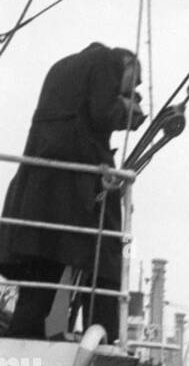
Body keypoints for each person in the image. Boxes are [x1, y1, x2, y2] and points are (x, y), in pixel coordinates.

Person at [0, 43, 145, 342]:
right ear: (126, 64)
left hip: (39, 186)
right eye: (135, 80)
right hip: (77, 186)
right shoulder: (105, 59)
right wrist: (132, 111)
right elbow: (104, 113)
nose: (134, 87)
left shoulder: (62, 67)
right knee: (106, 256)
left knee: (40, 273)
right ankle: (103, 336)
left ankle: (22, 342)